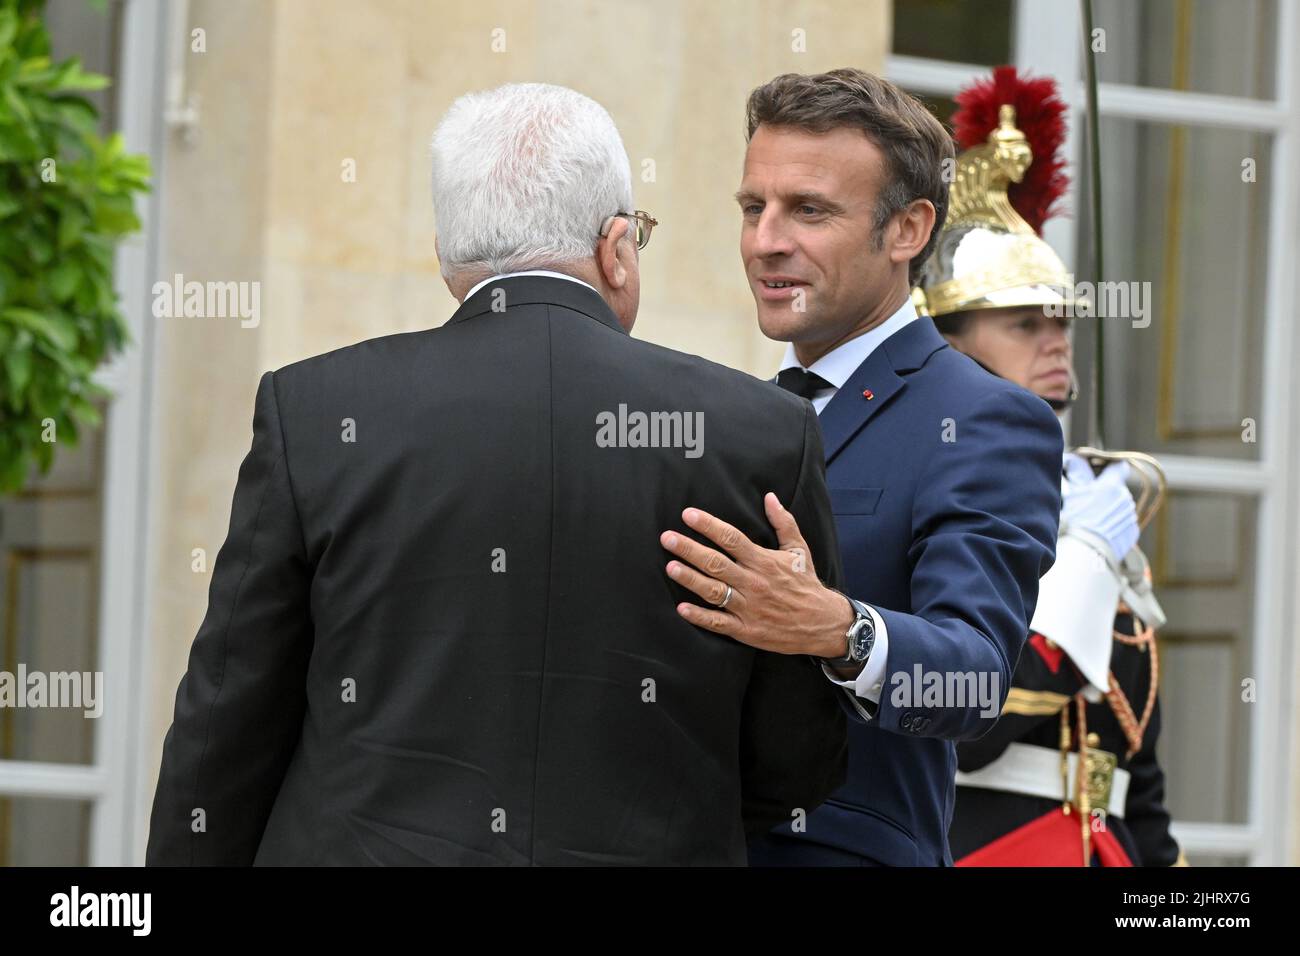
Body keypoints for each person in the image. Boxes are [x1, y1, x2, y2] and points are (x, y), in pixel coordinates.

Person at [146, 82, 848, 866]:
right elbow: (795, 757)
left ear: (450, 258)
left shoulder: (314, 410)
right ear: (616, 246)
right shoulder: (761, 431)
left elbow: (228, 718)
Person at [659, 68, 1062, 866]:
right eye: (753, 207)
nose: (766, 239)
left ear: (907, 229)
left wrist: (837, 629)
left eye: (809, 210)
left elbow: (976, 680)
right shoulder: (729, 413)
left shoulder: (985, 416)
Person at [920, 66, 1185, 866]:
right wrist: (1081, 563)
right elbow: (972, 728)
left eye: (1062, 319)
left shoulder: (1093, 497)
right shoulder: (930, 483)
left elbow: (1139, 782)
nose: (1056, 340)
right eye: (1024, 323)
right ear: (951, 344)